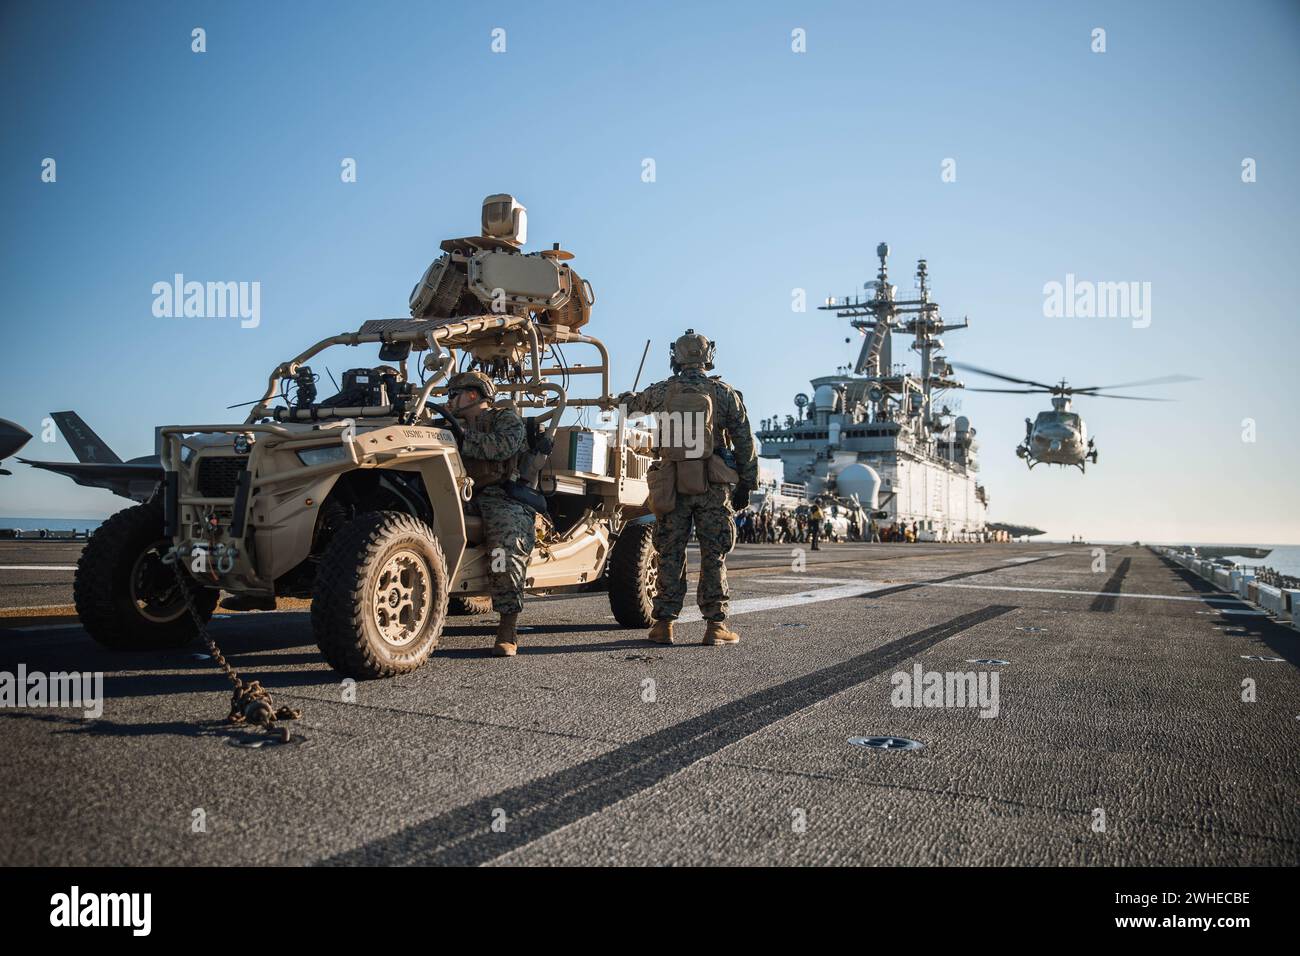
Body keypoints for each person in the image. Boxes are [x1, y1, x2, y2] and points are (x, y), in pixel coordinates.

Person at [618, 330, 757, 645]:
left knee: (669, 552)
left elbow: (630, 409)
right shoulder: (723, 393)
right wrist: (747, 483)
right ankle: (715, 627)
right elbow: (745, 442)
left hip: (673, 483)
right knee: (713, 555)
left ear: (676, 357)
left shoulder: (662, 391)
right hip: (712, 485)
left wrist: (625, 398)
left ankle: (663, 624)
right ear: (708, 357)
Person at [447, 370, 536, 657]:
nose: (448, 402)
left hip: (498, 494)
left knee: (505, 542)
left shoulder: (504, 419)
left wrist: (460, 438)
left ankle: (507, 626)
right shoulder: (450, 423)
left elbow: (502, 447)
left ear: (472, 395)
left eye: (452, 395)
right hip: (455, 491)